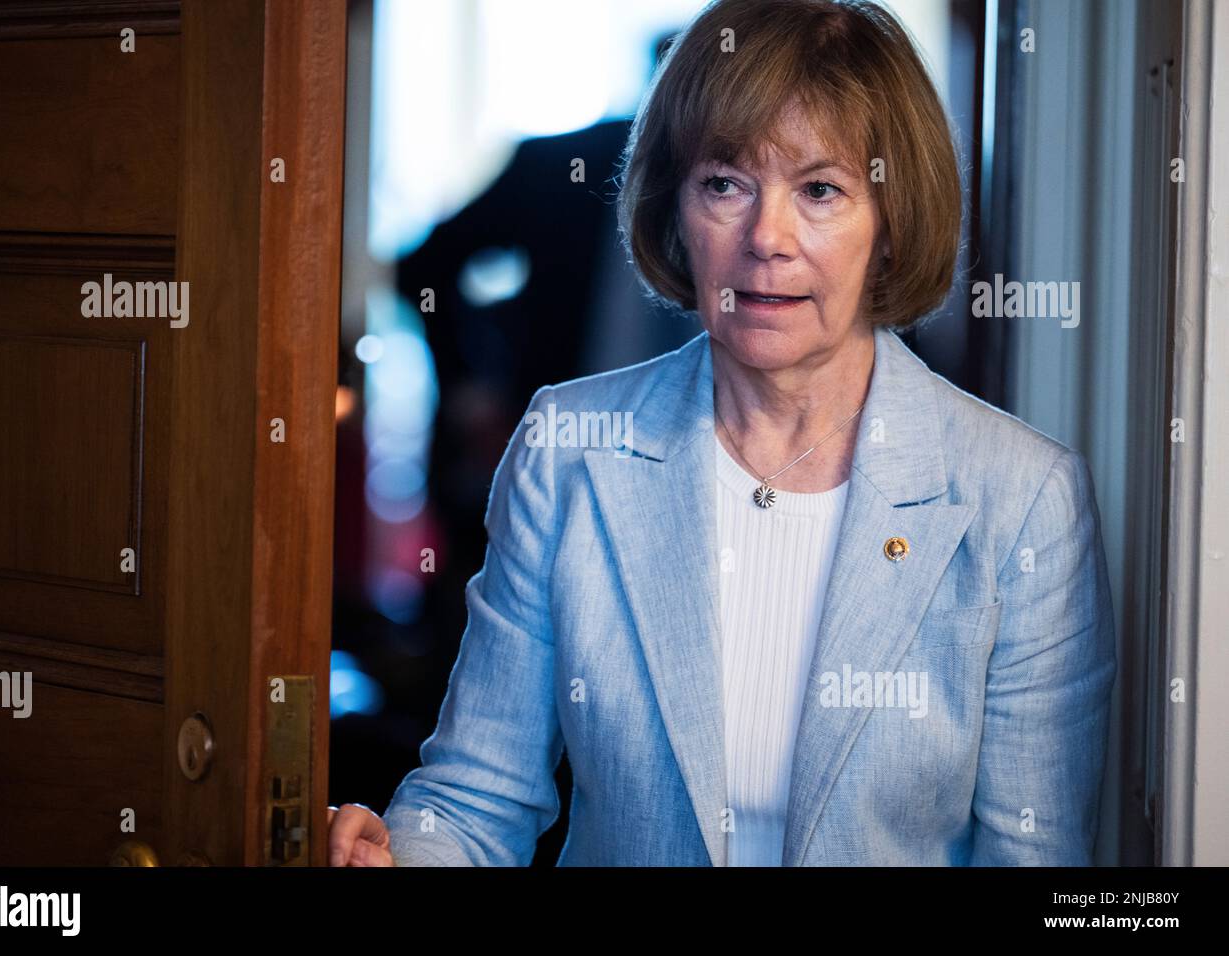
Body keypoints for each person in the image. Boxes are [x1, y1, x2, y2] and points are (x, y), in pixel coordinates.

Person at [329, 0, 1115, 866]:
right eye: (725, 184)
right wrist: (400, 853)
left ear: (890, 224)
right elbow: (476, 802)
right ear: (677, 209)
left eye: (820, 190)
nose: (766, 239)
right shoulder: (570, 449)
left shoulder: (1024, 499)